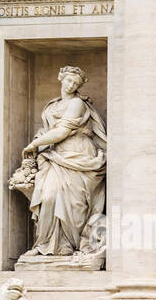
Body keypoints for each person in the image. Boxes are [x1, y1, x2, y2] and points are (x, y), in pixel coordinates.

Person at [18, 65, 107, 258]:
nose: (71, 85)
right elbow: (50, 130)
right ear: (61, 78)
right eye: (68, 80)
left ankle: (67, 246)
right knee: (48, 197)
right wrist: (41, 139)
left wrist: (34, 144)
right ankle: (45, 244)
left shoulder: (77, 103)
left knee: (73, 203)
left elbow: (62, 131)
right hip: (55, 156)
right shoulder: (51, 106)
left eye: (75, 83)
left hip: (78, 154)